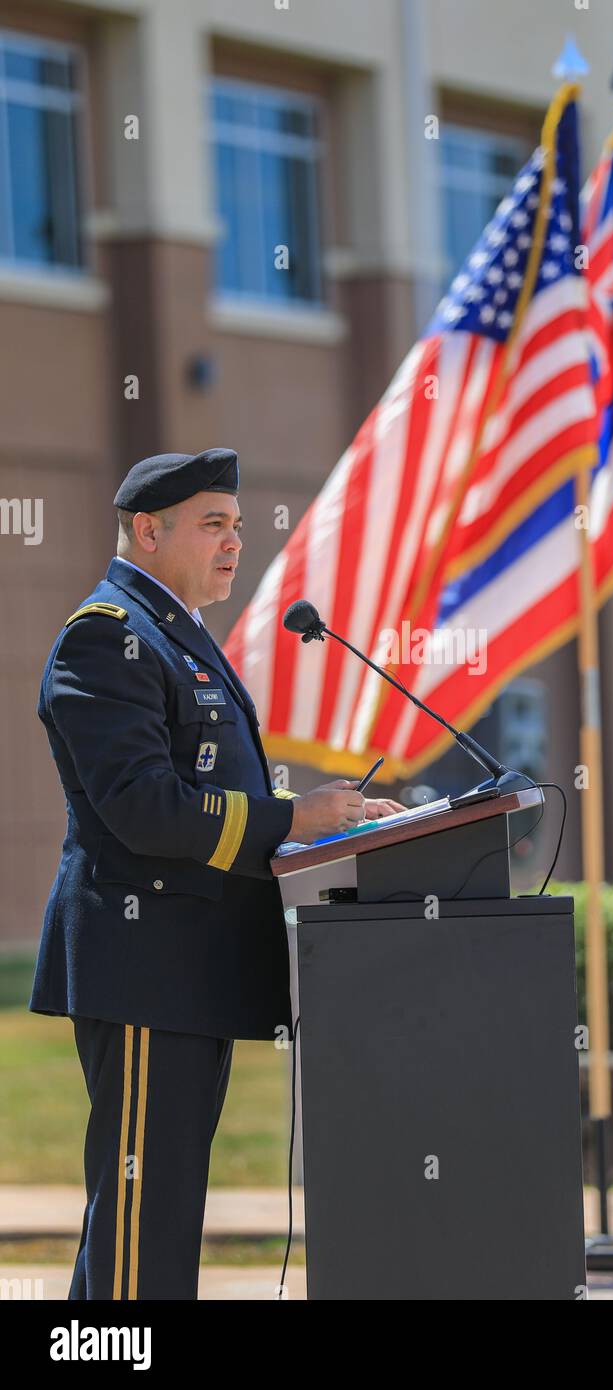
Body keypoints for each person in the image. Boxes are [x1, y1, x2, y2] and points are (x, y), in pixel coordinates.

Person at [29, 447, 402, 1300]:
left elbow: (213, 795)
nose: (235, 543)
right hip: (144, 970)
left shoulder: (179, 635)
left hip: (189, 972)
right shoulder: (107, 637)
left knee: (157, 1219)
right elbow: (143, 807)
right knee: (139, 1224)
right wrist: (290, 819)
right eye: (213, 525)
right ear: (147, 530)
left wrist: (325, 826)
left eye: (237, 525)